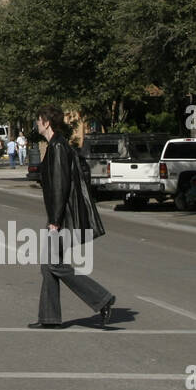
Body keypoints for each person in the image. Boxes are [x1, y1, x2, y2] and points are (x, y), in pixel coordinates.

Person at [29, 105, 114, 330]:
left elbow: (60, 185)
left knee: (54, 264)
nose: (36, 123)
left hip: (62, 216)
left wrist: (55, 221)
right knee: (48, 266)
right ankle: (49, 317)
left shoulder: (57, 147)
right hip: (58, 214)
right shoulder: (56, 144)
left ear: (46, 122)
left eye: (38, 120)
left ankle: (102, 298)